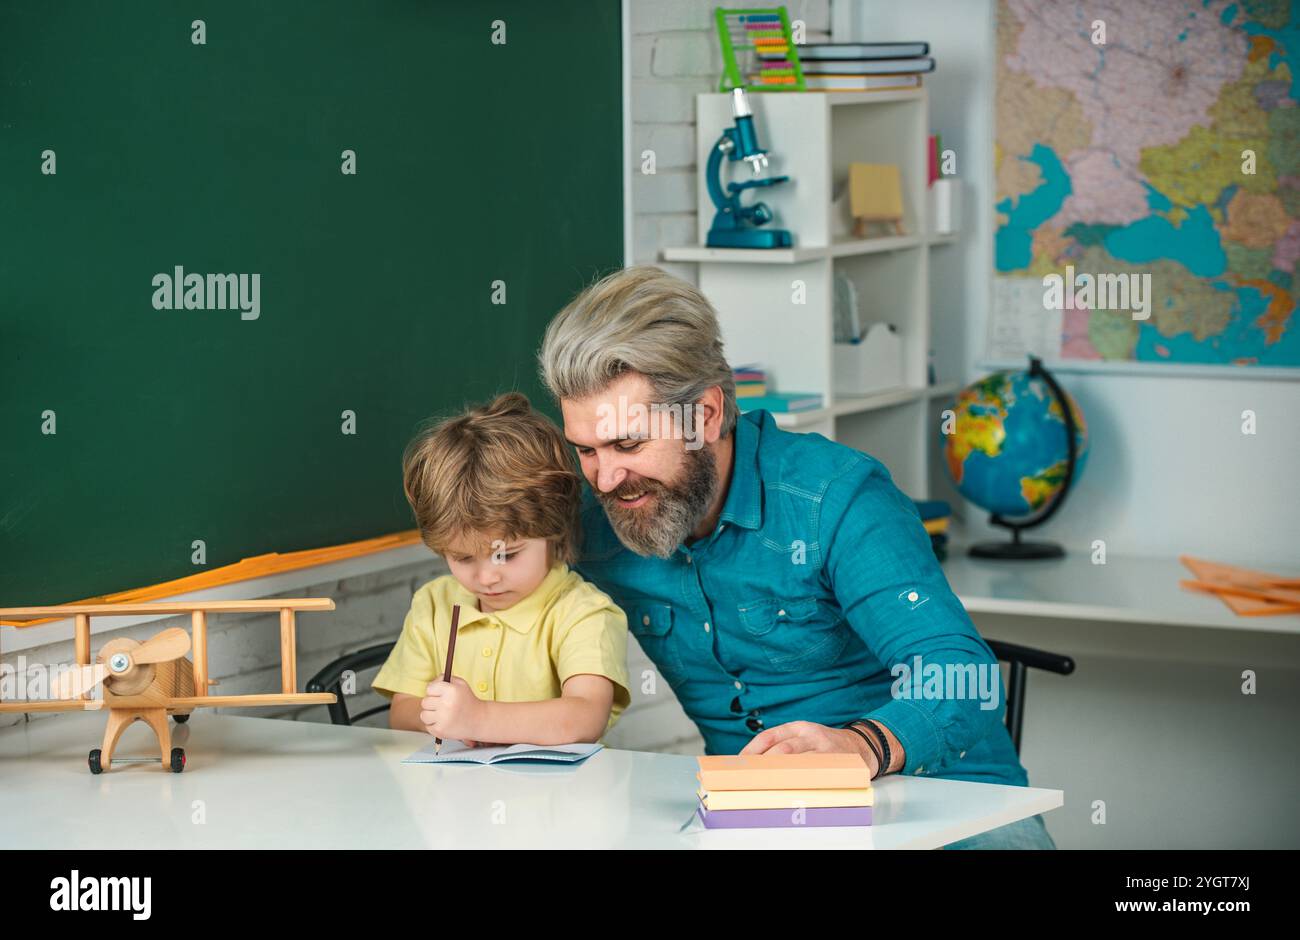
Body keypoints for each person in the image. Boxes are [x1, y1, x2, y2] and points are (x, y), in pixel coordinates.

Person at [538, 265, 1055, 849]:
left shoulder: (835, 498)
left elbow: (964, 675)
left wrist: (859, 747)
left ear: (705, 416)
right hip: (762, 823)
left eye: (628, 444)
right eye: (585, 449)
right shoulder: (598, 517)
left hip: (951, 805)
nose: (606, 478)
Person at [373, 392, 631, 747]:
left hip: (559, 799)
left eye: (506, 555)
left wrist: (478, 719)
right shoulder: (434, 604)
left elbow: (585, 717)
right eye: (462, 559)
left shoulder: (583, 612)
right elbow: (401, 713)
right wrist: (439, 715)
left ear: (552, 528)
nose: (486, 577)